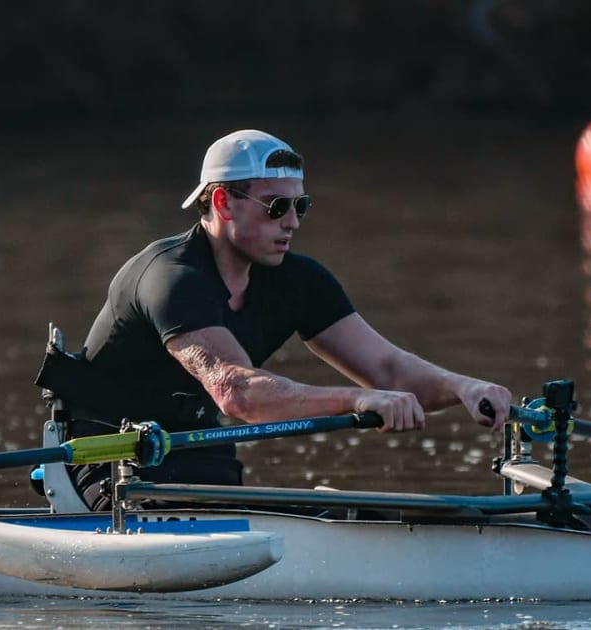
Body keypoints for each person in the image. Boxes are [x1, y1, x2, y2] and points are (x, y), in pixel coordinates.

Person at [58, 129, 513, 510]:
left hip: (199, 447)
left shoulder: (299, 280)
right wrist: (356, 402)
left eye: (301, 206)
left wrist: (463, 388)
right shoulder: (171, 278)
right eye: (277, 207)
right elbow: (237, 392)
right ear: (222, 203)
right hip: (112, 455)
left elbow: (388, 370)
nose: (293, 222)